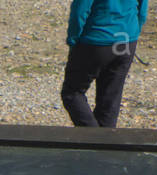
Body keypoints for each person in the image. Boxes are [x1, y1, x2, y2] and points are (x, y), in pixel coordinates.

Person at [60, 0, 148, 128]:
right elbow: (142, 12)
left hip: (96, 40)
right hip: (126, 41)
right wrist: (132, 33)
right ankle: (106, 142)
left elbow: (80, 11)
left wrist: (73, 39)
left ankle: (94, 138)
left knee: (72, 92)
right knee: (110, 97)